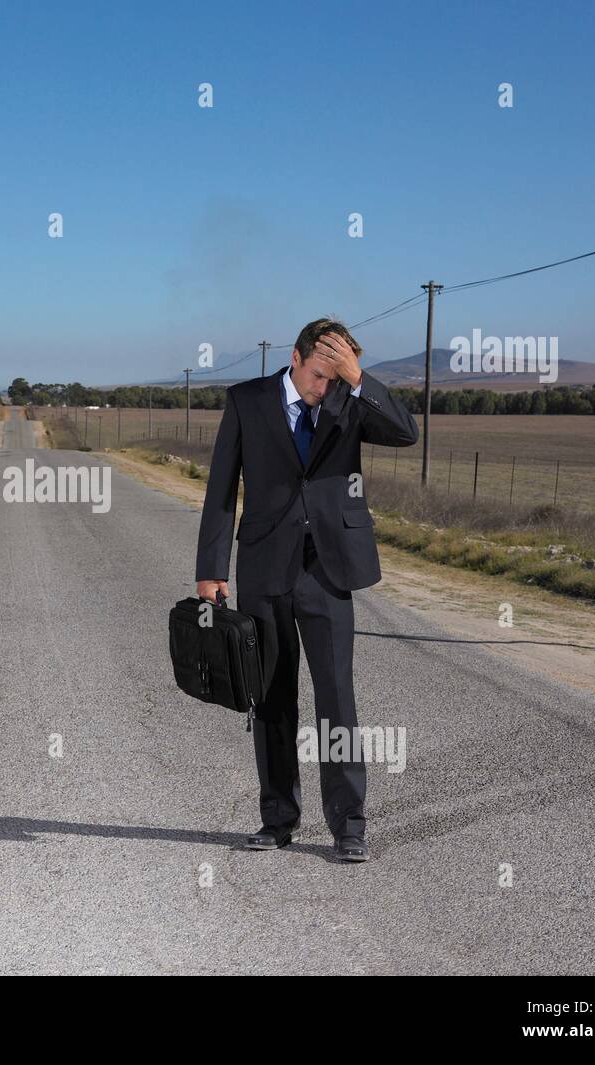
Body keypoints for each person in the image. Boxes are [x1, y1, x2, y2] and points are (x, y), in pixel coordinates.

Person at [194, 319, 418, 862]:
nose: (324, 388)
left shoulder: (348, 400)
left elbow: (405, 432)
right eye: (319, 375)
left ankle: (349, 825)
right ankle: (278, 818)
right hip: (265, 565)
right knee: (270, 696)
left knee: (336, 697)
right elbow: (221, 487)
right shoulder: (246, 401)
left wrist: (357, 378)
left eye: (335, 377)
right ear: (295, 358)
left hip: (329, 571)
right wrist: (211, 568)